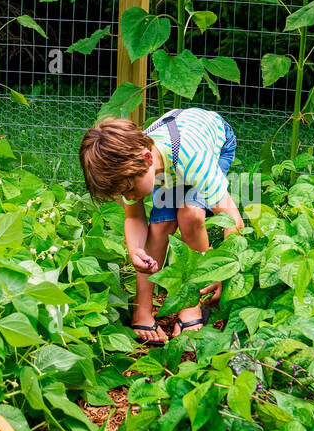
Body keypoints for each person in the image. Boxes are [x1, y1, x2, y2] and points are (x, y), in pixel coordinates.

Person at [79, 107, 244, 342]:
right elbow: (134, 217)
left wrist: (220, 271)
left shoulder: (195, 161)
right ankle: (143, 311)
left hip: (212, 142)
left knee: (190, 215)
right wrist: (135, 250)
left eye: (128, 191)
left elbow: (233, 221)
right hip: (169, 163)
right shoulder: (129, 167)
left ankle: (192, 305)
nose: (128, 197)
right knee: (160, 226)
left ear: (147, 160)